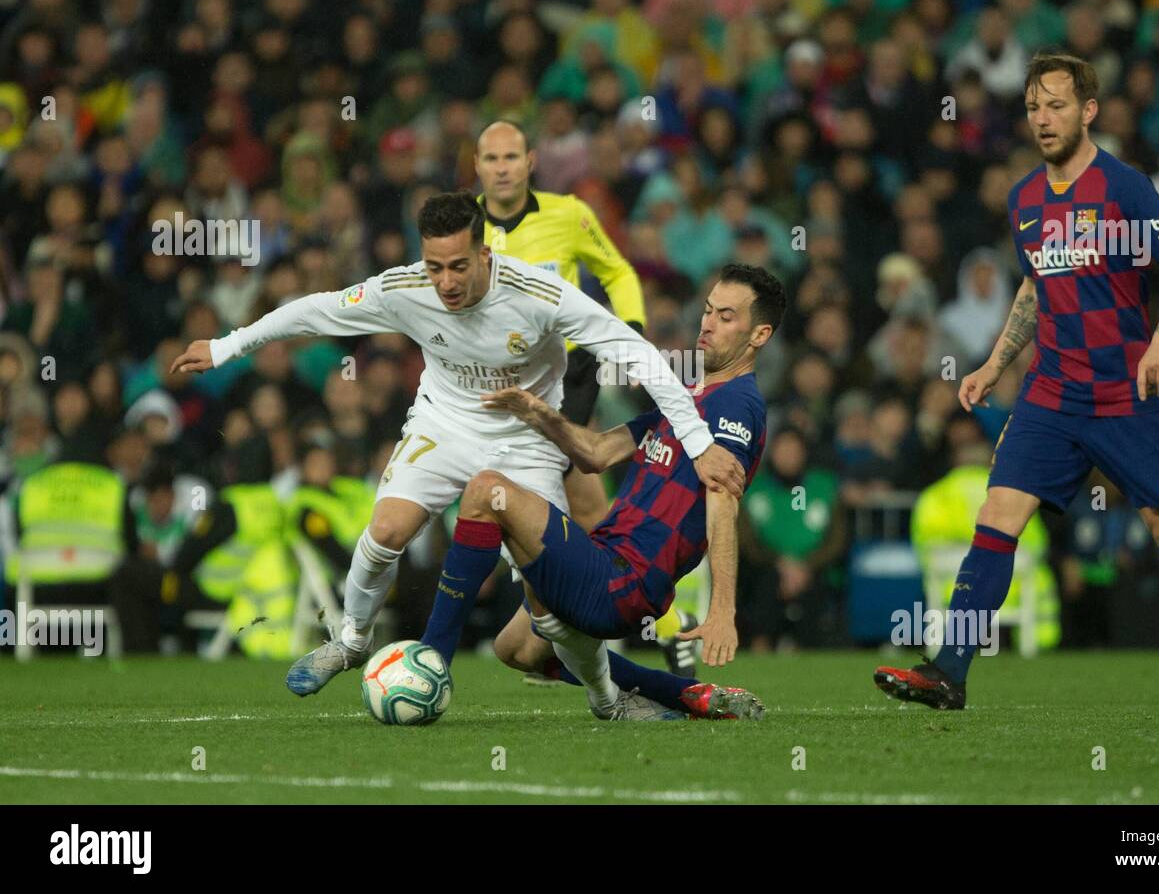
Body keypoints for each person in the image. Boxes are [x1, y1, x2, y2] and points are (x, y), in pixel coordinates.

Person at [168, 192, 746, 701]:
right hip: (444, 427)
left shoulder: (539, 294)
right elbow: (317, 310)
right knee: (386, 532)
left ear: (485, 255)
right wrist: (226, 347)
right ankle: (350, 642)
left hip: (526, 444)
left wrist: (697, 443)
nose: (445, 281)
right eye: (435, 265)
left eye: (459, 266)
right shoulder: (405, 288)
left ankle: (605, 696)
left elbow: (633, 350)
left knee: (549, 608)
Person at [875, 53, 1159, 710]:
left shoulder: (1123, 186)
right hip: (1051, 393)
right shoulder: (1023, 198)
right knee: (997, 515)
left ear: (1088, 111)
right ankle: (948, 672)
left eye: (1055, 104)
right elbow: (1035, 286)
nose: (1042, 118)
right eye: (1032, 107)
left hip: (1124, 395)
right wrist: (996, 364)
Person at [431, 264, 784, 720]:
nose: (708, 323)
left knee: (485, 491)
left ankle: (432, 660)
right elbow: (596, 453)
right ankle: (685, 695)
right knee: (516, 648)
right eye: (708, 310)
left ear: (759, 336)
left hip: (627, 577)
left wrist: (722, 610)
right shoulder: (685, 397)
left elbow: (722, 499)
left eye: (727, 316)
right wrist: (537, 412)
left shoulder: (737, 403)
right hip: (605, 556)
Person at [474, 120, 702, 674]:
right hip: (494, 381)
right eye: (490, 158)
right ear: (477, 166)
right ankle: (655, 626)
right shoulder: (462, 225)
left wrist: (629, 331)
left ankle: (597, 629)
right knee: (572, 506)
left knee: (567, 499)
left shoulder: (569, 213)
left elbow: (617, 270)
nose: (502, 167)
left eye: (511, 156)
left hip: (567, 372)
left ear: (531, 161)